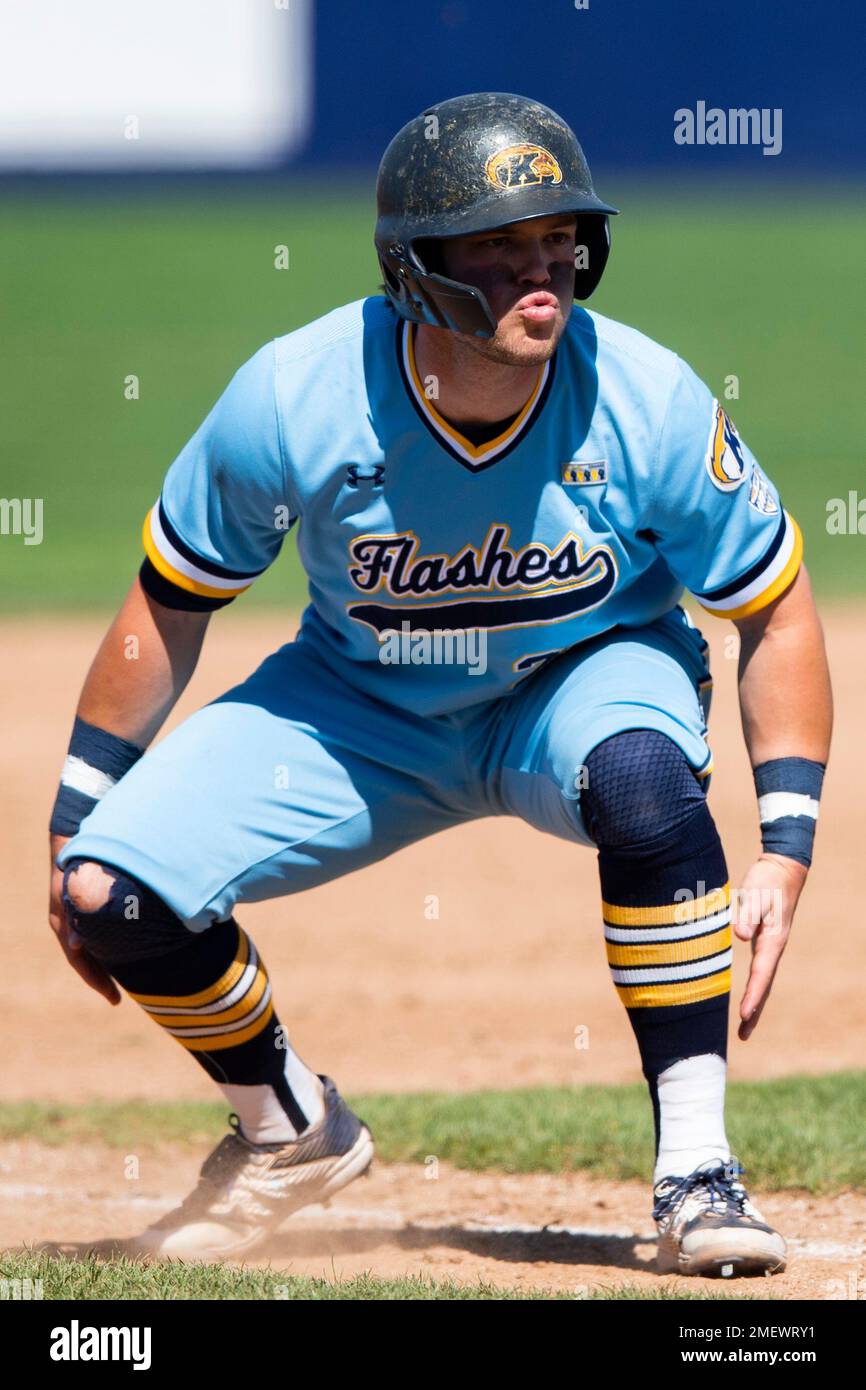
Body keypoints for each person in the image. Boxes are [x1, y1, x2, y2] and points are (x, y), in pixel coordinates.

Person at [50, 92, 832, 1277]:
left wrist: (783, 839)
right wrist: (72, 815)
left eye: (556, 240)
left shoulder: (645, 396)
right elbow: (171, 598)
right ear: (414, 270)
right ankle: (288, 1127)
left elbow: (770, 601)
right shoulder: (292, 395)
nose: (543, 274)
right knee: (110, 890)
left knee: (642, 779)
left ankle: (696, 1172)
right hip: (359, 706)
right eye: (498, 246)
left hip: (578, 678)